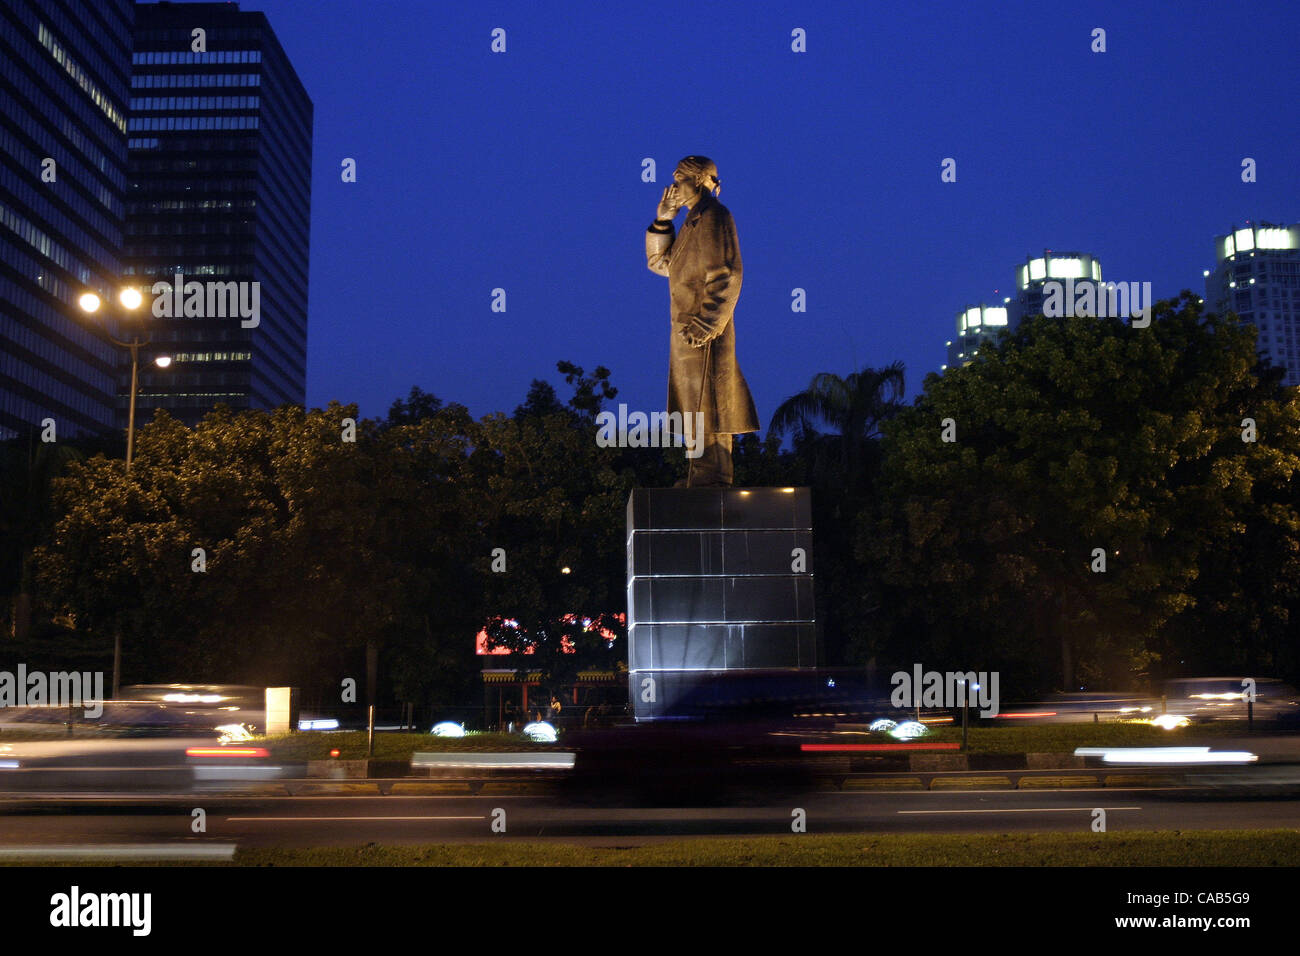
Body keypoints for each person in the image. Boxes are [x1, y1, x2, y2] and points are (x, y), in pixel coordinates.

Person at [646, 156, 758, 486]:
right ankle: (701, 475)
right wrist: (663, 221)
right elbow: (660, 264)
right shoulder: (692, 221)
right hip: (686, 332)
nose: (672, 187)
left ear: (697, 180)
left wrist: (708, 322)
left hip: (703, 329)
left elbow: (728, 273)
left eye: (678, 179)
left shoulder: (714, 215)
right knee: (693, 403)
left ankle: (713, 477)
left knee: (710, 401)